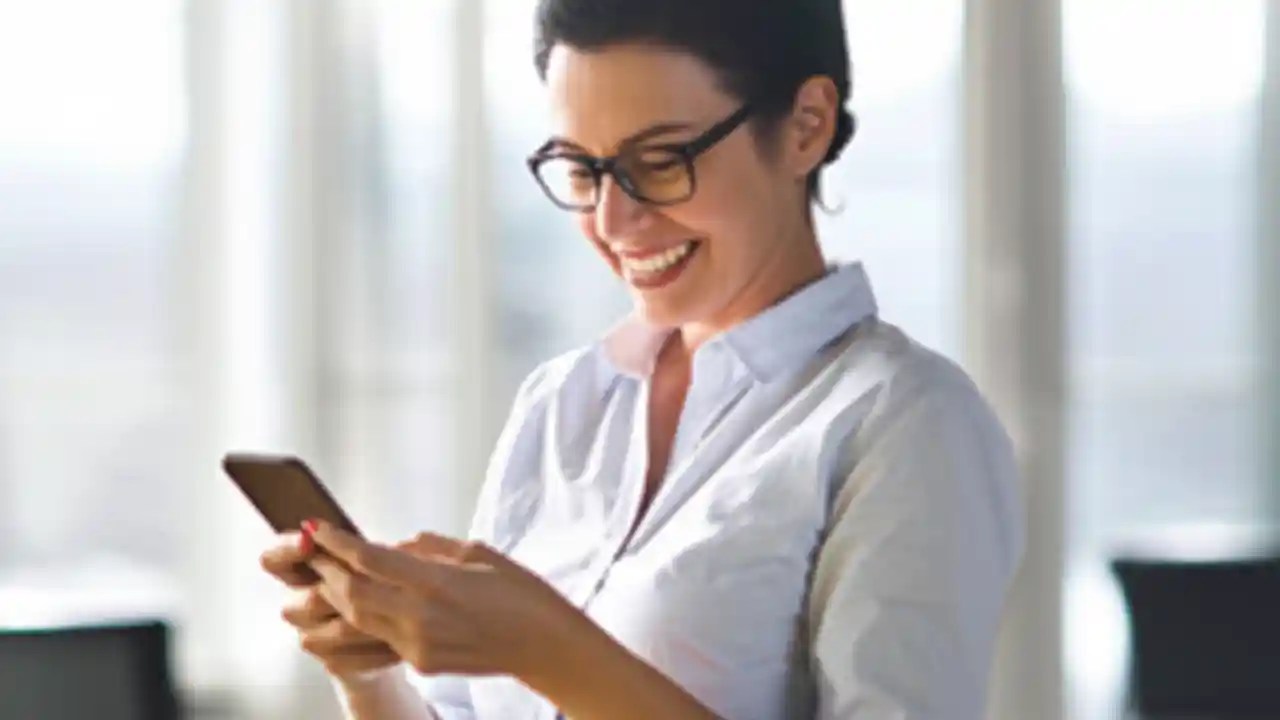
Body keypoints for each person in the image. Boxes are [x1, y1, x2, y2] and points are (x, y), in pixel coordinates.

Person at [260, 1, 1025, 718]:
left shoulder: (908, 424)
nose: (613, 219)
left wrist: (542, 646)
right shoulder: (563, 402)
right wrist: (370, 672)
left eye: (659, 162)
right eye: (581, 169)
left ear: (806, 126)